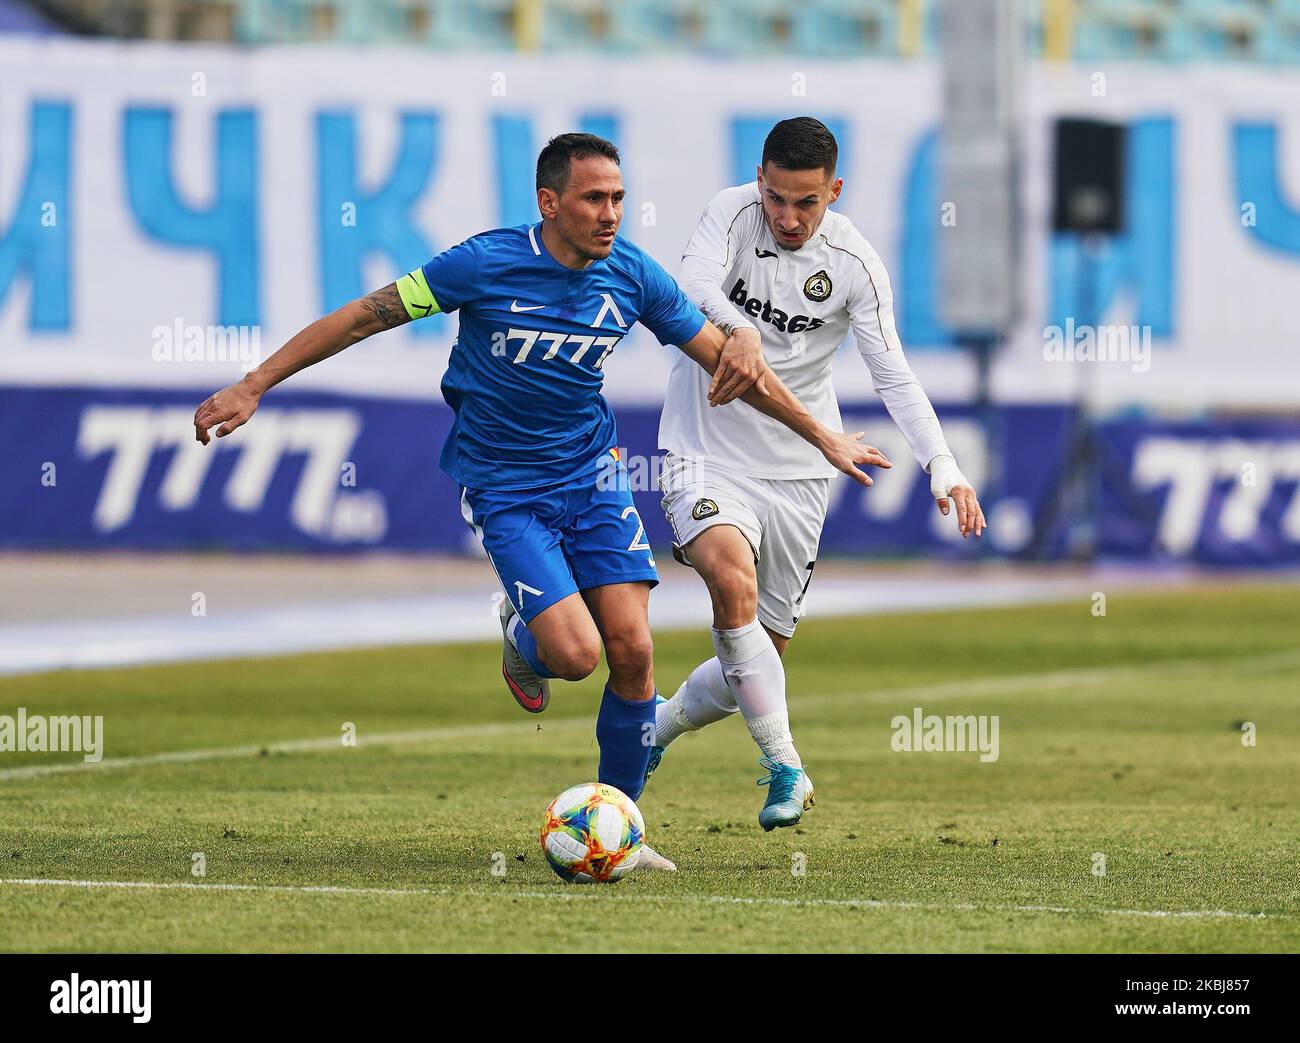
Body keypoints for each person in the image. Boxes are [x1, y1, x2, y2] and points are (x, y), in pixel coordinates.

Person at [193, 131, 887, 867]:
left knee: (634, 651)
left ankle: (624, 828)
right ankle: (522, 634)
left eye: (618, 197)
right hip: (506, 488)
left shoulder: (633, 276)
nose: (611, 213)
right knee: (577, 654)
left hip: (592, 477)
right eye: (594, 199)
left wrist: (821, 435)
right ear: (549, 203)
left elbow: (726, 362)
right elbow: (367, 314)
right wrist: (253, 383)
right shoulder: (483, 264)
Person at [651, 117, 986, 831]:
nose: (788, 217)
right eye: (777, 198)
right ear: (760, 180)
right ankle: (785, 765)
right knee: (729, 579)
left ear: (834, 190)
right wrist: (736, 326)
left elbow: (892, 373)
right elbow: (689, 287)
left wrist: (943, 465)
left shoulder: (856, 263)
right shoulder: (731, 213)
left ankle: (656, 728)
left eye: (806, 202)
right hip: (704, 449)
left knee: (757, 659)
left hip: (804, 464)